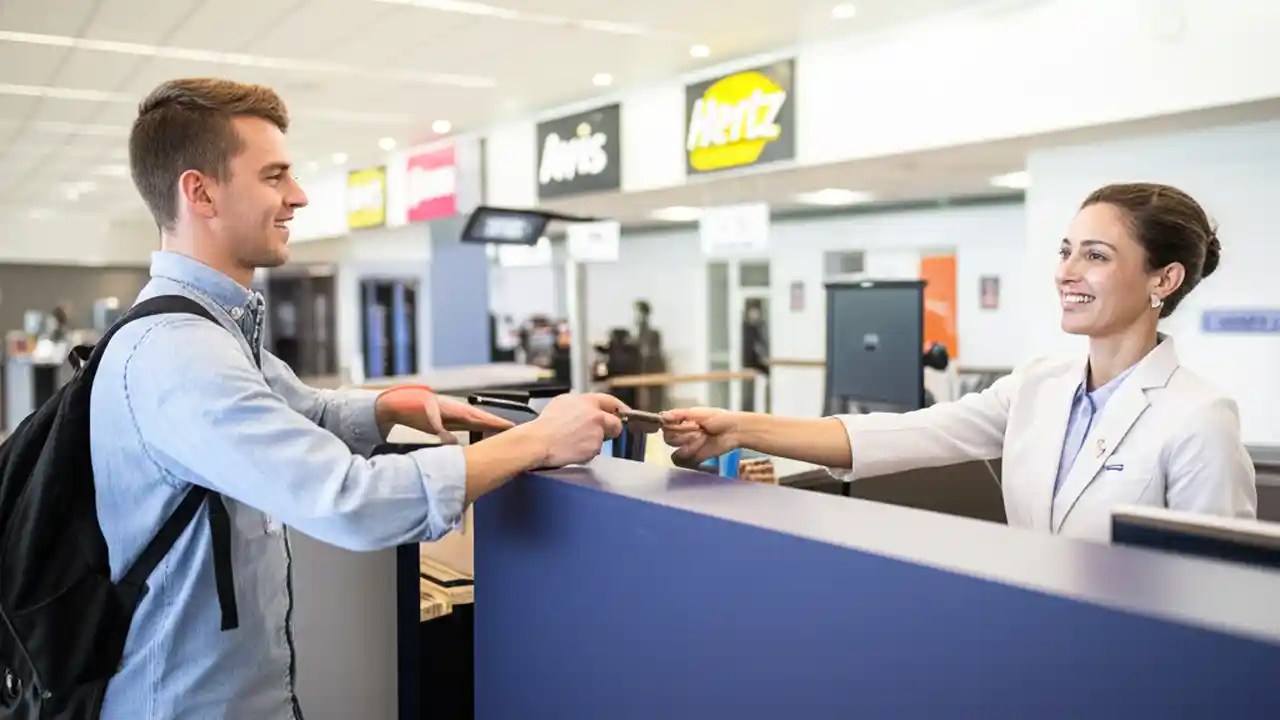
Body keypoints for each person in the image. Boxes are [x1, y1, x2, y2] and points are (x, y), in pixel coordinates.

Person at [90, 77, 628, 719]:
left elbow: (301, 411)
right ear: (199, 191)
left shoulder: (211, 330)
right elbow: (348, 500)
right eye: (274, 176)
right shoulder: (181, 354)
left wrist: (386, 407)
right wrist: (537, 439)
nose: (298, 196)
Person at [662, 183, 1256, 542]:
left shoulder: (1198, 417)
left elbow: (1224, 592)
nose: (1067, 272)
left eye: (1095, 255)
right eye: (1066, 251)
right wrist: (739, 427)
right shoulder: (1038, 386)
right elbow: (904, 434)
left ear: (1165, 277)